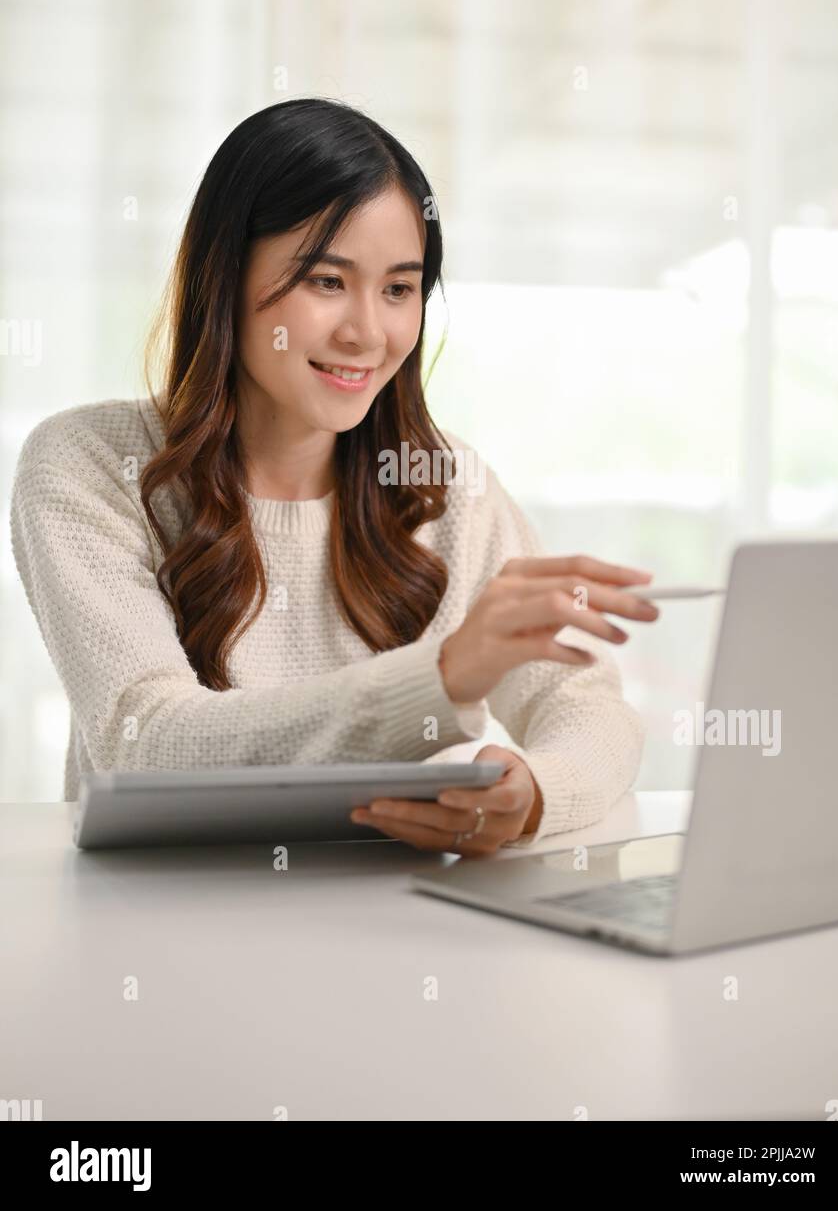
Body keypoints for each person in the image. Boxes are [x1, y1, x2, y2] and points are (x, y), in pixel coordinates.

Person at [9, 97, 659, 856]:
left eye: (398, 289)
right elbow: (147, 742)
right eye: (326, 281)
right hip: (160, 929)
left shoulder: (443, 486)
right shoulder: (88, 465)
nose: (367, 333)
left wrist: (536, 789)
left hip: (398, 924)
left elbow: (587, 705)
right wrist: (439, 676)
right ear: (225, 274)